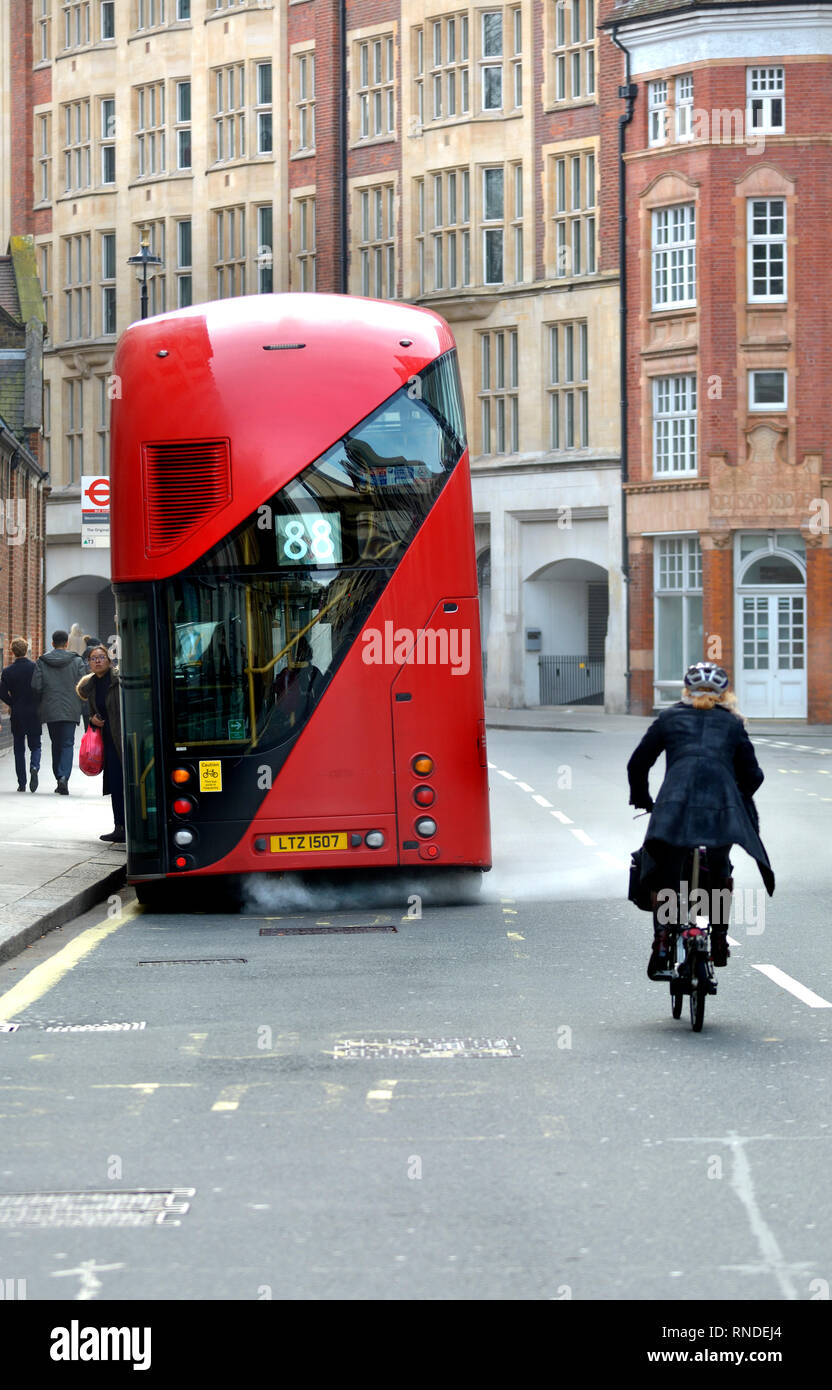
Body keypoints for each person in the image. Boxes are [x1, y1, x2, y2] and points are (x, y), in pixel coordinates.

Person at [627, 662, 774, 980]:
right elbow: (754, 774)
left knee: (666, 872)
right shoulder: (732, 723)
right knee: (720, 869)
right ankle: (718, 938)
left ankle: (664, 939)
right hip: (720, 807)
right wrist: (736, 797)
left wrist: (644, 799)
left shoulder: (668, 718)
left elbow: (638, 764)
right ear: (724, 694)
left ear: (686, 691)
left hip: (675, 806)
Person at [76, 645, 124, 843]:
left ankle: (129, 826)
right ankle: (119, 826)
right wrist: (92, 720)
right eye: (93, 658)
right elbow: (92, 711)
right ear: (88, 663)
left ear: (109, 659)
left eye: (101, 657)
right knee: (115, 783)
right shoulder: (92, 685)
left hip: (123, 739)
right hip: (108, 741)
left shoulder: (118, 679)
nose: (97, 661)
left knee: (124, 783)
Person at [31, 630, 87, 794]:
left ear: (53, 643)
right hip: (71, 708)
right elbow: (83, 684)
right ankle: (63, 777)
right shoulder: (77, 661)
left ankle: (59, 776)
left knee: (56, 743)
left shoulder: (42, 661)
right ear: (67, 643)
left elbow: (36, 686)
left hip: (50, 708)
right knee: (67, 743)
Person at [0, 637, 42, 792]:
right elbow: (41, 688)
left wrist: (13, 703)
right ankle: (35, 766)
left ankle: (22, 783)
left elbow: (2, 692)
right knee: (36, 745)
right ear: (26, 649)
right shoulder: (35, 668)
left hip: (17, 713)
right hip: (34, 712)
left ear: (12, 651)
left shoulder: (8, 671)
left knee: (19, 748)